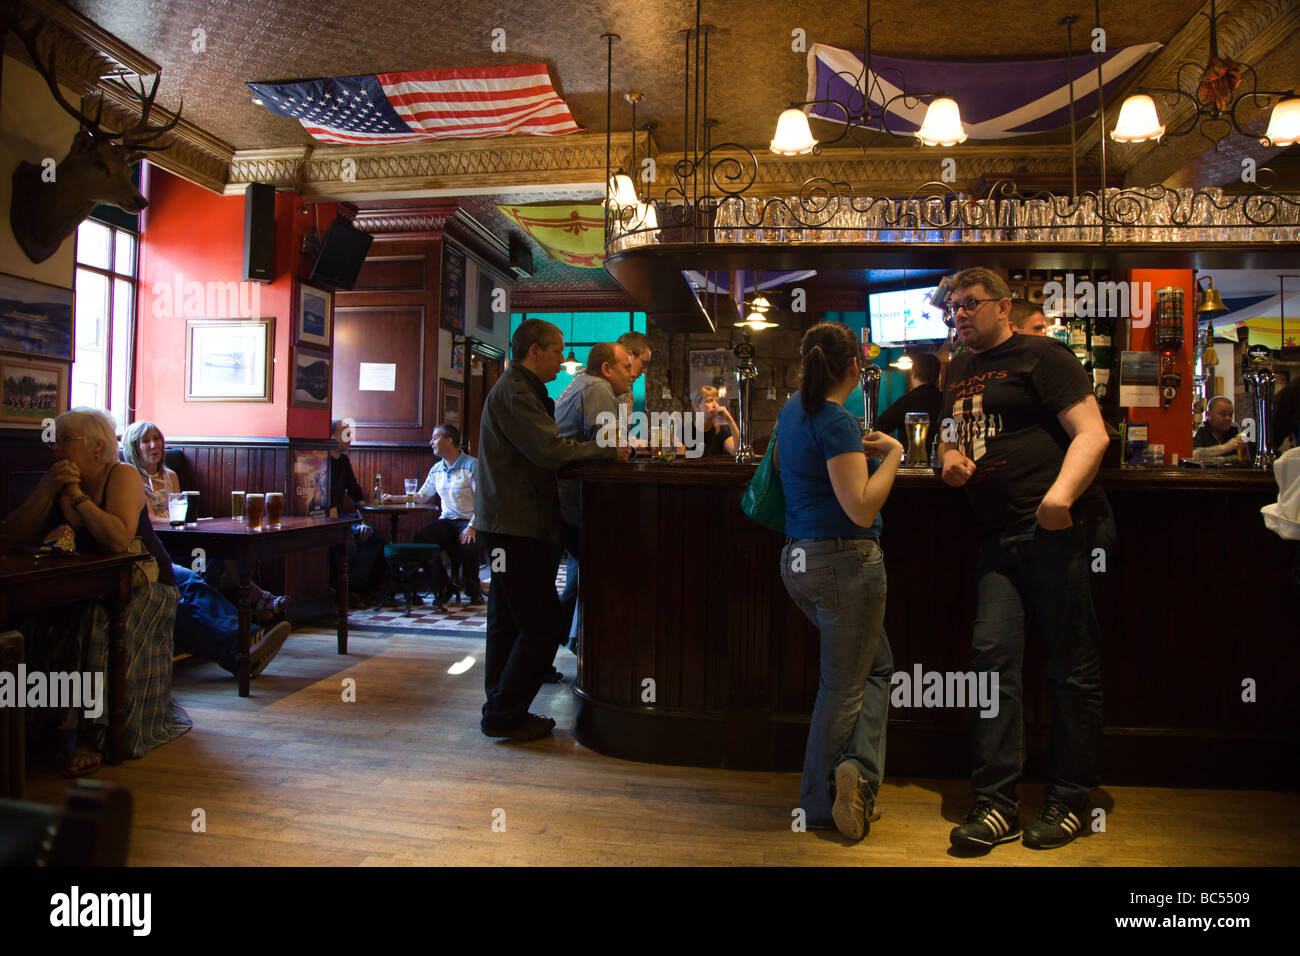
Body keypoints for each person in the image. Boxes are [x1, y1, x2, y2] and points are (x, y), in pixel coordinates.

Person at [937, 268, 1110, 852]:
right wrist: (949, 455)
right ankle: (996, 804)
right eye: (953, 306)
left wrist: (1058, 501)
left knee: (1070, 667)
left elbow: (1093, 434)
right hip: (997, 534)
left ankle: (1068, 800)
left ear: (1003, 306)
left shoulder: (1044, 356)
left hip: (1060, 530)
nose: (958, 314)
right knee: (992, 662)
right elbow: (948, 430)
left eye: (969, 305)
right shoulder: (958, 367)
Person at [6, 408, 191, 776]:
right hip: (82, 586)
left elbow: (119, 539)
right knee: (30, 619)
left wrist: (76, 496)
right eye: (53, 440)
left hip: (146, 585)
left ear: (97, 447)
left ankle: (93, 733)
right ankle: (33, 726)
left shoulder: (120, 475)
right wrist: (47, 489)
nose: (55, 447)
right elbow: (14, 536)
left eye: (64, 441)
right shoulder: (54, 480)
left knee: (96, 619)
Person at [475, 318, 629, 741]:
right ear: (535, 351)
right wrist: (607, 450)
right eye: (558, 349)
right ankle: (504, 714)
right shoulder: (516, 391)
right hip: (516, 525)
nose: (565, 359)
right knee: (541, 627)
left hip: (509, 523)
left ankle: (499, 706)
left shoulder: (521, 389)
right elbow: (550, 450)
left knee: (507, 622)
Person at [778, 322, 903, 841]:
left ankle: (858, 773)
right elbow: (860, 508)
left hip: (799, 560)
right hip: (844, 564)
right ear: (856, 366)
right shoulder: (836, 421)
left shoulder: (794, 410)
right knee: (845, 684)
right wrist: (893, 455)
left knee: (874, 667)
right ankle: (824, 800)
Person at [122, 421, 291, 677]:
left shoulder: (170, 475)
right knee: (193, 579)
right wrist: (183, 520)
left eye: (157, 439)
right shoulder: (128, 477)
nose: (154, 445)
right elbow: (150, 521)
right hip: (154, 548)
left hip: (178, 543)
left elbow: (177, 513)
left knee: (216, 554)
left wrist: (191, 521)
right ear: (134, 447)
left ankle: (246, 639)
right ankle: (250, 630)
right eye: (146, 441)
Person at [555, 343, 634, 660]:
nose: (632, 374)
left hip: (565, 499)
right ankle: (593, 655)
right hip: (573, 501)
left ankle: (571, 646)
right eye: (626, 367)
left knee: (582, 574)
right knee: (594, 571)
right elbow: (610, 445)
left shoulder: (589, 385)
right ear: (606, 369)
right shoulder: (598, 388)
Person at [392, 423, 485, 605]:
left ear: (449, 441)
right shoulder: (436, 469)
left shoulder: (472, 465)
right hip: (447, 522)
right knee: (422, 539)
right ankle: (443, 586)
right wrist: (394, 498)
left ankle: (474, 591)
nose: (431, 442)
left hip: (470, 521)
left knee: (468, 544)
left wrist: (472, 527)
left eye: (435, 437)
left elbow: (484, 500)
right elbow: (421, 496)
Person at [327, 419, 387, 606]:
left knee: (375, 539)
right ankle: (345, 593)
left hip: (343, 519)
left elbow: (355, 492)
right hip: (326, 520)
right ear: (332, 435)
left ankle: (353, 589)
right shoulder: (319, 459)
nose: (350, 438)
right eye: (345, 433)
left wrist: (362, 522)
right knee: (350, 545)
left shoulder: (343, 461)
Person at [873, 350, 943, 443]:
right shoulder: (944, 399)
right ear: (938, 376)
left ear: (913, 374)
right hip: (944, 456)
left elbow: (879, 426)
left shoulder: (907, 401)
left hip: (912, 455)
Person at [613, 330, 652, 418]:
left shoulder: (627, 395)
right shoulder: (593, 385)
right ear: (628, 356)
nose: (645, 371)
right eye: (644, 363)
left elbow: (623, 430)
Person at [691, 385, 739, 456]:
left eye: (716, 401)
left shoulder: (721, 432)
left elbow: (737, 452)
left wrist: (730, 420)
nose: (715, 405)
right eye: (709, 401)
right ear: (697, 406)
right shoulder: (685, 432)